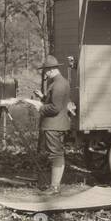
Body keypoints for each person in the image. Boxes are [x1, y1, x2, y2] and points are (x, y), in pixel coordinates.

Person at [37, 55, 75, 195]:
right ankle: (55, 186)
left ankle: (54, 188)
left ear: (52, 69)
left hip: (54, 124)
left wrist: (39, 106)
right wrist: (42, 97)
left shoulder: (58, 84)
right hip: (56, 124)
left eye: (46, 70)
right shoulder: (59, 82)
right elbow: (55, 102)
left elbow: (55, 108)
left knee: (56, 155)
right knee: (57, 154)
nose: (45, 73)